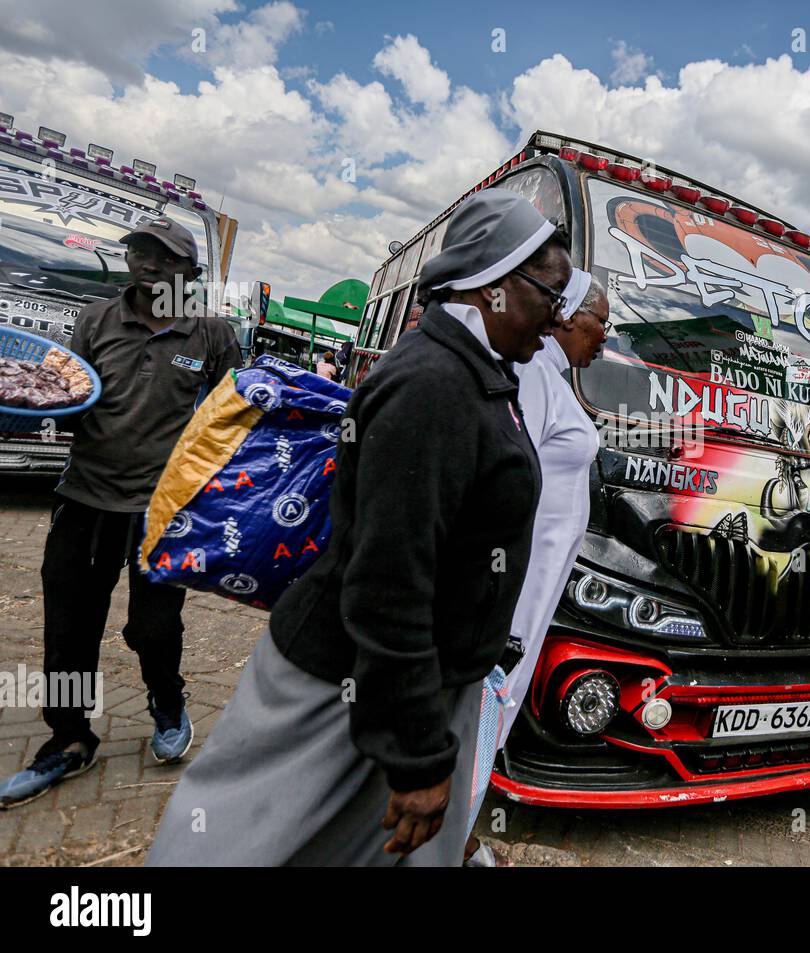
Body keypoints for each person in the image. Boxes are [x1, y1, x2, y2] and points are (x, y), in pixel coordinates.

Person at [146, 191, 570, 866]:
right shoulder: (431, 385)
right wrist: (417, 756)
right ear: (495, 284)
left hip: (412, 689)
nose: (560, 318)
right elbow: (388, 584)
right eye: (552, 294)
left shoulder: (480, 375)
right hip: (341, 688)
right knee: (240, 848)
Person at [0, 219, 242, 809]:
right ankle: (68, 738)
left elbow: (232, 412)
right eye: (139, 252)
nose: (148, 264)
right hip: (86, 496)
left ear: (191, 273)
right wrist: (29, 406)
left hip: (164, 508)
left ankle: (167, 701)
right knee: (69, 629)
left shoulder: (211, 333)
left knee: (153, 627)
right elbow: (66, 389)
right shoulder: (96, 320)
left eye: (165, 257)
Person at [462, 271, 610, 867]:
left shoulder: (552, 374)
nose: (607, 335)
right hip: (516, 583)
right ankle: (449, 838)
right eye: (601, 321)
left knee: (499, 701)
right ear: (568, 315)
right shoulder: (532, 375)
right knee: (486, 702)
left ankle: (454, 826)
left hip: (536, 580)